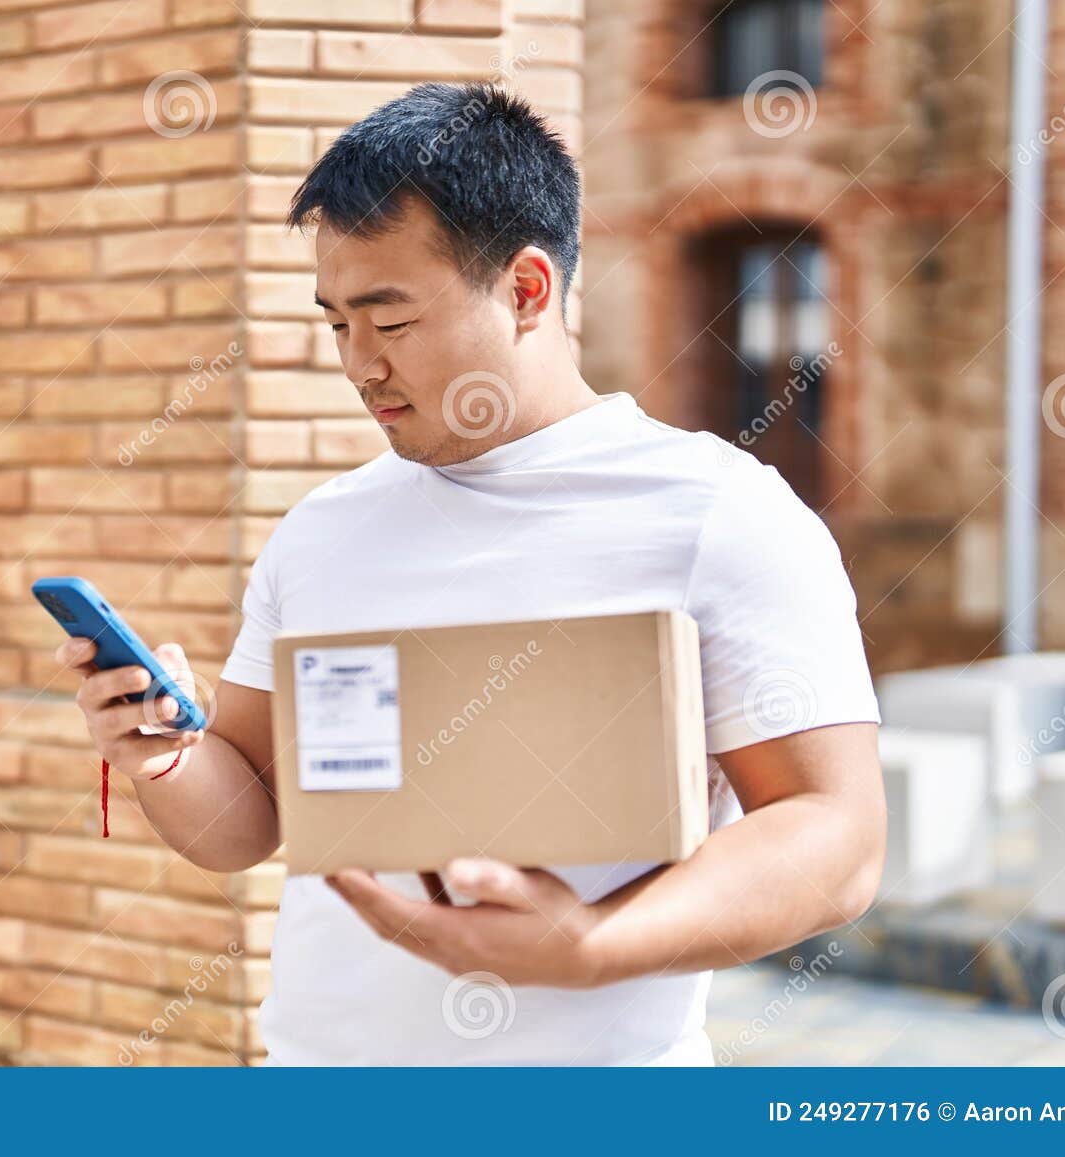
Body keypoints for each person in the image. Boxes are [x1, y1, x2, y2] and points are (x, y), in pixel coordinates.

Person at [58, 82, 884, 1065]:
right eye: (334, 324)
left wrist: (590, 946)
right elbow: (246, 820)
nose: (358, 364)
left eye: (389, 320)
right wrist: (161, 752)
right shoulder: (323, 531)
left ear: (527, 290)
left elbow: (835, 836)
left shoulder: (718, 514)